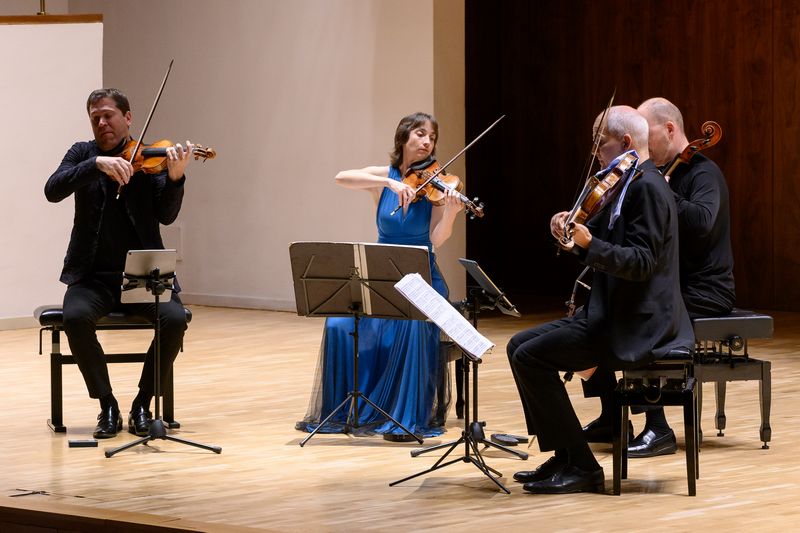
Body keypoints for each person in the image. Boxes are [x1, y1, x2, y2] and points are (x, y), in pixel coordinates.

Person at [506, 105, 694, 494]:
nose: (595, 153)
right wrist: (574, 237)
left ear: (625, 143)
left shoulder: (648, 187)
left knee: (530, 357)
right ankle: (564, 453)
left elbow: (642, 262)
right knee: (517, 345)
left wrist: (590, 244)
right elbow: (604, 249)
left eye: (600, 142)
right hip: (611, 312)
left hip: (638, 325)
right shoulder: (626, 185)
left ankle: (582, 465)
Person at [580, 98, 736, 457]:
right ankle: (610, 415)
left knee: (636, 315)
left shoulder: (702, 173)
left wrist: (663, 192)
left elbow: (701, 222)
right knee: (598, 305)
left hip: (705, 288)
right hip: (672, 283)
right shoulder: (654, 177)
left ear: (668, 129)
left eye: (647, 134)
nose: (643, 145)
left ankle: (658, 428)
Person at [296, 112, 463, 440]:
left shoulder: (437, 186)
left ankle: (404, 416)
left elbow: (436, 240)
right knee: (338, 323)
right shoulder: (385, 177)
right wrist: (387, 182)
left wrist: (453, 214)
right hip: (381, 279)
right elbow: (341, 177)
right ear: (403, 138)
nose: (427, 141)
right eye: (419, 134)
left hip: (421, 280)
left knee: (412, 324)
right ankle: (346, 409)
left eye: (432, 137)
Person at [45, 88, 194, 439]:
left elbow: (167, 216)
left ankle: (143, 403)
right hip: (90, 276)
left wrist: (175, 178)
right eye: (95, 116)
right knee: (76, 318)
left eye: (108, 114)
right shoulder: (83, 153)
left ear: (127, 118)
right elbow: (53, 189)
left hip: (142, 276)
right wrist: (97, 164)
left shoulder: (148, 159)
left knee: (174, 319)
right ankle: (107, 404)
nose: (101, 122)